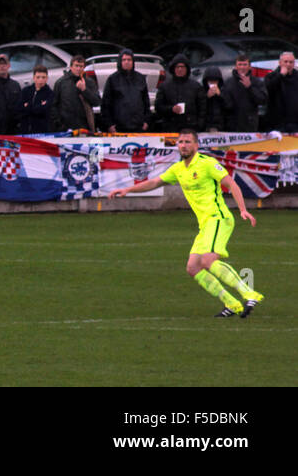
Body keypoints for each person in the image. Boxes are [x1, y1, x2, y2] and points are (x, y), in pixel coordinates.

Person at [108, 130, 264, 318]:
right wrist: (127, 189)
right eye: (180, 142)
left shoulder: (207, 164)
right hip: (205, 224)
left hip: (219, 218)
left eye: (188, 141)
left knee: (207, 260)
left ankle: (249, 293)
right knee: (193, 267)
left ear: (196, 145)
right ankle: (231, 303)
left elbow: (231, 183)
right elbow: (155, 182)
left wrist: (242, 209)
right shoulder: (178, 169)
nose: (183, 145)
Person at [101, 49, 149, 133]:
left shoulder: (140, 78)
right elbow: (105, 104)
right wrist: (109, 124)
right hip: (118, 128)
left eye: (129, 60)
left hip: (138, 127)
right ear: (120, 62)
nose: (127, 62)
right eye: (124, 60)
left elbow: (146, 102)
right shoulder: (112, 79)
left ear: (133, 62)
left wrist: (146, 121)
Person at [154, 53, 205, 132]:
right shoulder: (164, 86)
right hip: (170, 128)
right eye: (177, 67)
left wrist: (199, 125)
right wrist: (171, 109)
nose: (180, 69)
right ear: (173, 69)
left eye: (182, 67)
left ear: (187, 68)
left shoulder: (196, 86)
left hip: (191, 128)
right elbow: (158, 107)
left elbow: (202, 108)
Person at [52, 54, 100, 132]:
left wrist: (84, 90)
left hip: (84, 127)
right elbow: (54, 105)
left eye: (81, 66)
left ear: (84, 68)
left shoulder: (89, 82)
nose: (78, 68)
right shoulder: (61, 82)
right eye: (76, 66)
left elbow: (97, 102)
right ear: (71, 67)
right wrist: (59, 124)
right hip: (66, 127)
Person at [221, 54, 265, 132]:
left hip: (250, 124)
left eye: (245, 65)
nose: (242, 67)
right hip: (233, 125)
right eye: (240, 64)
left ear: (249, 67)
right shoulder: (228, 82)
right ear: (236, 66)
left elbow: (262, 100)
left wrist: (250, 87)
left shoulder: (256, 82)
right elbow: (225, 104)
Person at [264, 51, 298, 132]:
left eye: (291, 62)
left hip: (295, 121)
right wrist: (281, 75)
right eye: (285, 62)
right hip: (277, 122)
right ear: (280, 63)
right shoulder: (271, 76)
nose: (288, 64)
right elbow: (269, 89)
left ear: (294, 64)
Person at [17, 65, 55, 134]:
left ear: (47, 78)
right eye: (38, 77)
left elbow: (44, 110)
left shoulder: (50, 93)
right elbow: (19, 109)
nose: (41, 80)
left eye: (43, 77)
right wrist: (39, 106)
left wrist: (28, 106)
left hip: (41, 131)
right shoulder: (26, 91)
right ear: (34, 78)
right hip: (25, 130)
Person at [201, 67, 228, 133]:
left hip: (222, 126)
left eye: (215, 81)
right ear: (206, 81)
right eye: (210, 81)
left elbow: (229, 106)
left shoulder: (225, 91)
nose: (213, 83)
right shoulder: (201, 91)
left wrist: (220, 95)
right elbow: (199, 108)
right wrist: (207, 97)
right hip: (206, 125)